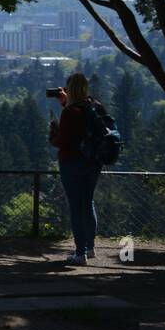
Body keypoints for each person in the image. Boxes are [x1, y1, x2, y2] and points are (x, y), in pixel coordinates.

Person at [49, 73, 101, 265]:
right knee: (88, 203)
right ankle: (90, 247)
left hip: (72, 162)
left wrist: (53, 135)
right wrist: (65, 103)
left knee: (76, 207)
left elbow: (64, 141)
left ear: (69, 89)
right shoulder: (94, 106)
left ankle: (80, 253)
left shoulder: (70, 112)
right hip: (93, 162)